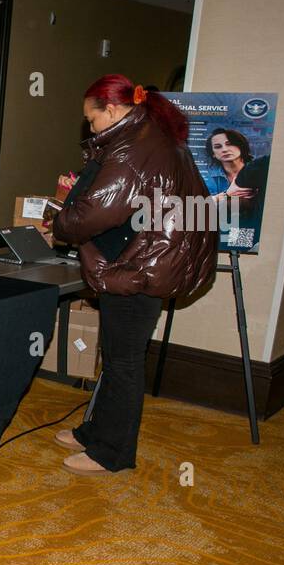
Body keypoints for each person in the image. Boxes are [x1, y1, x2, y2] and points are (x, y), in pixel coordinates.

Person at [45, 75, 215, 476]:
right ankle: (95, 431)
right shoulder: (150, 137)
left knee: (123, 362)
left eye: (92, 119)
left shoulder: (133, 150)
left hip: (140, 267)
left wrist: (61, 224)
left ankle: (112, 453)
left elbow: (94, 213)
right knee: (118, 354)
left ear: (114, 109)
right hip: (146, 259)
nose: (90, 127)